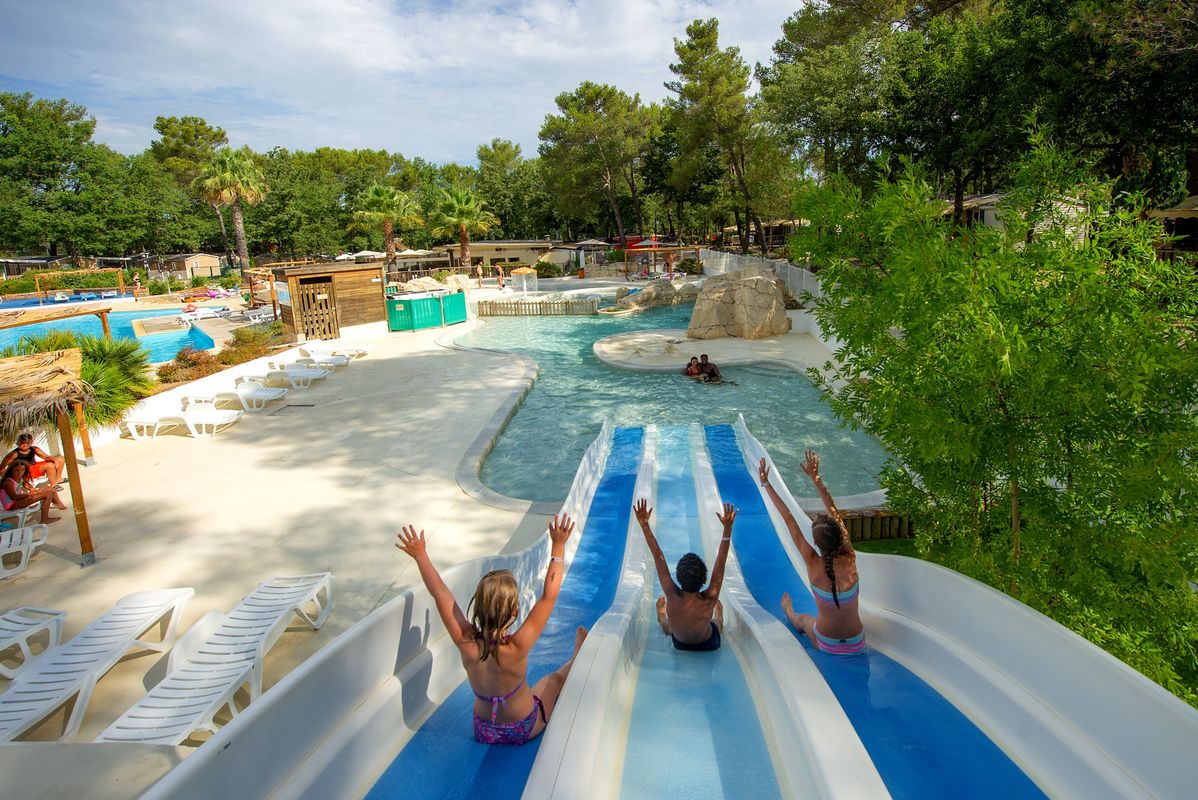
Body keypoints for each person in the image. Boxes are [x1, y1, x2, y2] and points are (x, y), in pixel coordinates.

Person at [394, 514, 587, 745]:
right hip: (521, 728)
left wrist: (420, 556)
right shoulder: (518, 646)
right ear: (514, 612)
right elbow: (549, 597)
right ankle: (575, 658)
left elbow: (441, 594)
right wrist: (558, 545)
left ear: (479, 609)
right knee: (554, 679)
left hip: (483, 730)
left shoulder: (465, 643)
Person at [759, 450, 864, 655]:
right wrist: (816, 479)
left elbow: (788, 518)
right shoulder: (850, 558)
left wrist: (766, 483)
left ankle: (788, 611)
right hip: (857, 641)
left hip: (826, 643)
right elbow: (834, 512)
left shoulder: (812, 561)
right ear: (840, 538)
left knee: (803, 619)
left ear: (814, 543)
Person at [633, 498, 736, 652]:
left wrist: (644, 524)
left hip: (680, 643)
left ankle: (662, 617)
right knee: (716, 624)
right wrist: (727, 529)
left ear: (679, 578)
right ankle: (719, 615)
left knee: (669, 626)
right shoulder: (710, 598)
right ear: (703, 579)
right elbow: (720, 562)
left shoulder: (672, 594)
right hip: (709, 644)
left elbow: (657, 555)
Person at [1, 434, 66, 493]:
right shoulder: (14, 454)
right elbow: (2, 468)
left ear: (31, 442)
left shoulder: (34, 449)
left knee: (61, 459)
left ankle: (58, 479)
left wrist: (55, 460)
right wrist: (9, 478)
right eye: (22, 443)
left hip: (34, 467)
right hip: (23, 471)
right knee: (49, 465)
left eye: (27, 443)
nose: (25, 445)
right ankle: (53, 485)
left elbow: (45, 457)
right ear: (18, 443)